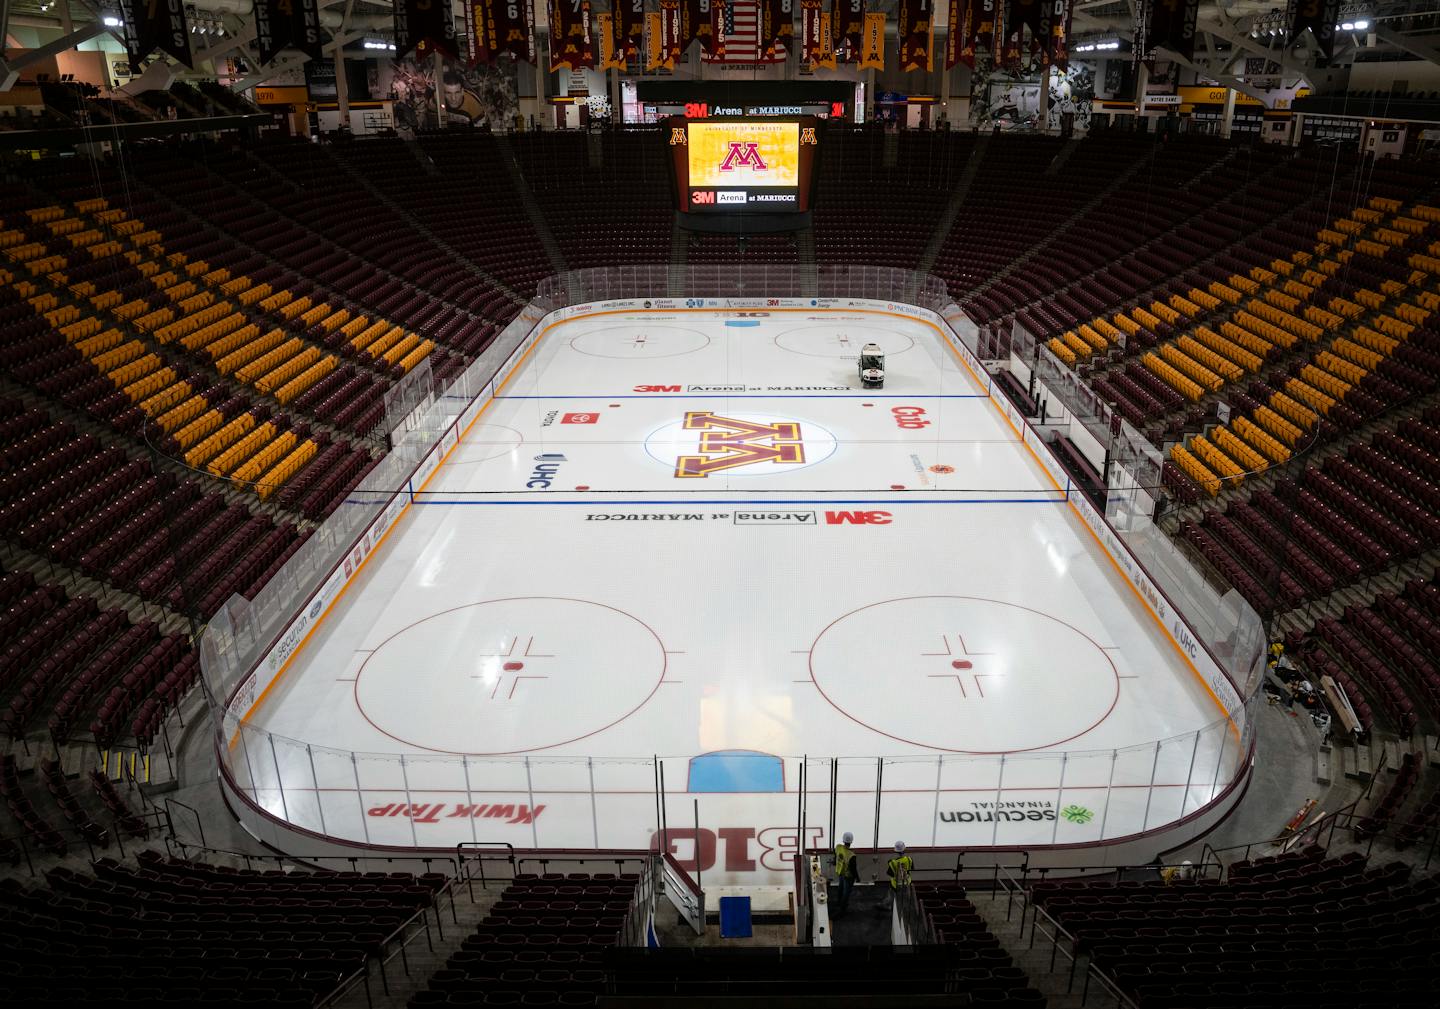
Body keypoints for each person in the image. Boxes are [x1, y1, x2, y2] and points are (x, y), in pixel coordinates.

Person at [833, 832, 859, 916]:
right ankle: (842, 908)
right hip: (848, 876)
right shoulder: (851, 855)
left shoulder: (838, 847)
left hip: (840, 872)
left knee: (840, 887)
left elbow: (836, 855)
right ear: (851, 842)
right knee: (846, 892)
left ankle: (838, 902)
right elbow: (853, 869)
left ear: (843, 840)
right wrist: (857, 877)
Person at [881, 841, 912, 911]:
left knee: (891, 895)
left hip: (895, 885)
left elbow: (890, 874)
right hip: (907, 883)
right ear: (904, 849)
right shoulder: (909, 859)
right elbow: (910, 870)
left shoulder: (893, 862)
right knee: (904, 897)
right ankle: (904, 908)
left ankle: (887, 905)